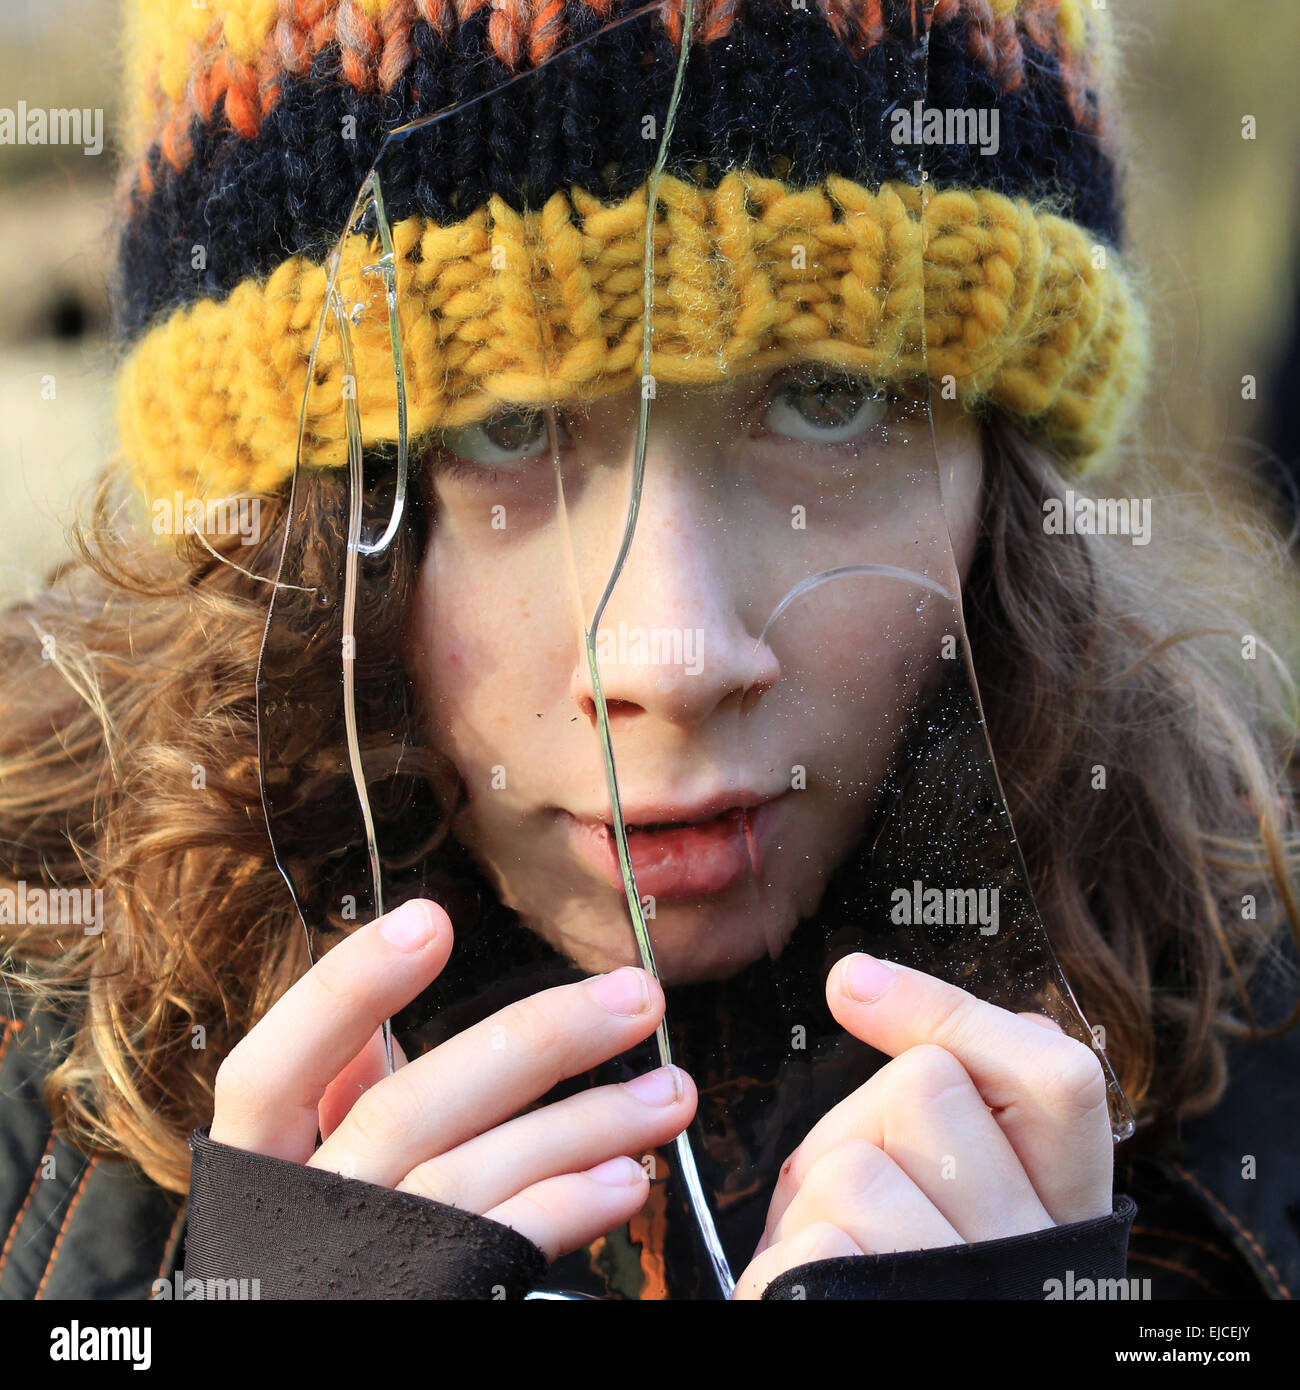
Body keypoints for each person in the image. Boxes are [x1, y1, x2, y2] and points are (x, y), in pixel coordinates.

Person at [1, 0, 1297, 1301]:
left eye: (828, 398)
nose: (669, 660)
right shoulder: (28, 1067)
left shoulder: (1261, 1039)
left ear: (1007, 477)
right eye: (503, 430)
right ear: (277, 529)